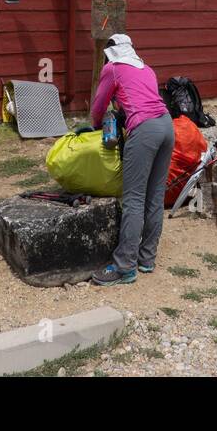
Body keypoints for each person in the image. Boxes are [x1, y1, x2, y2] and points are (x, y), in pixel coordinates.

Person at [88, 34, 174, 287]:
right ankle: (147, 259)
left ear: (109, 53)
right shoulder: (146, 68)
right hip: (166, 126)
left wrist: (95, 125)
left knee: (134, 198)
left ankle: (124, 266)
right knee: (155, 196)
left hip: (144, 129)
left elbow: (99, 105)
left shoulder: (112, 68)